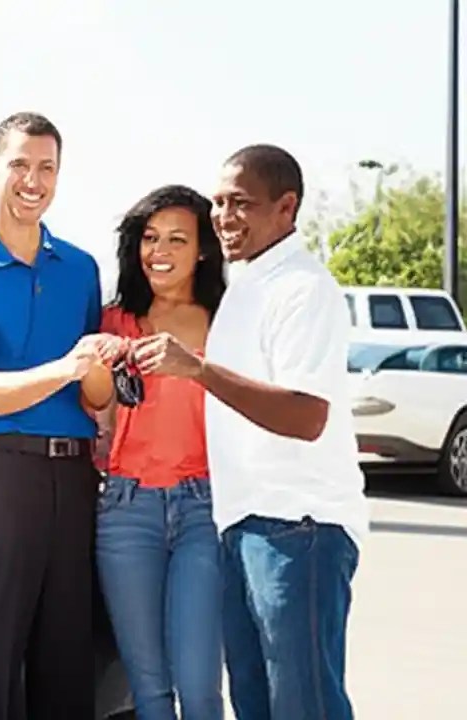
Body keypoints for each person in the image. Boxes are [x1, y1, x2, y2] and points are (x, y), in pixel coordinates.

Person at [132, 144, 369, 720]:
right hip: (242, 526)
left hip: (299, 529)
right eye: (218, 203)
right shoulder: (247, 285)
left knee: (305, 705)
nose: (223, 217)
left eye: (240, 203)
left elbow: (306, 416)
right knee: (256, 705)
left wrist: (197, 370)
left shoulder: (303, 288)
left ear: (286, 207)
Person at [0, 111, 120, 720]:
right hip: (1, 472)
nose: (33, 181)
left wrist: (100, 368)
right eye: (19, 165)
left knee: (69, 651)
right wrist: (67, 367)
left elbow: (95, 396)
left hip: (75, 475)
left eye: (47, 168)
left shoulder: (81, 270)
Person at [92, 184, 227, 720]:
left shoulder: (225, 319)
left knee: (198, 686)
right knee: (148, 691)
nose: (160, 251)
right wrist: (100, 359)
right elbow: (95, 404)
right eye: (150, 238)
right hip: (127, 511)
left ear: (203, 250)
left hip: (204, 508)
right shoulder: (115, 320)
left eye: (177, 239)